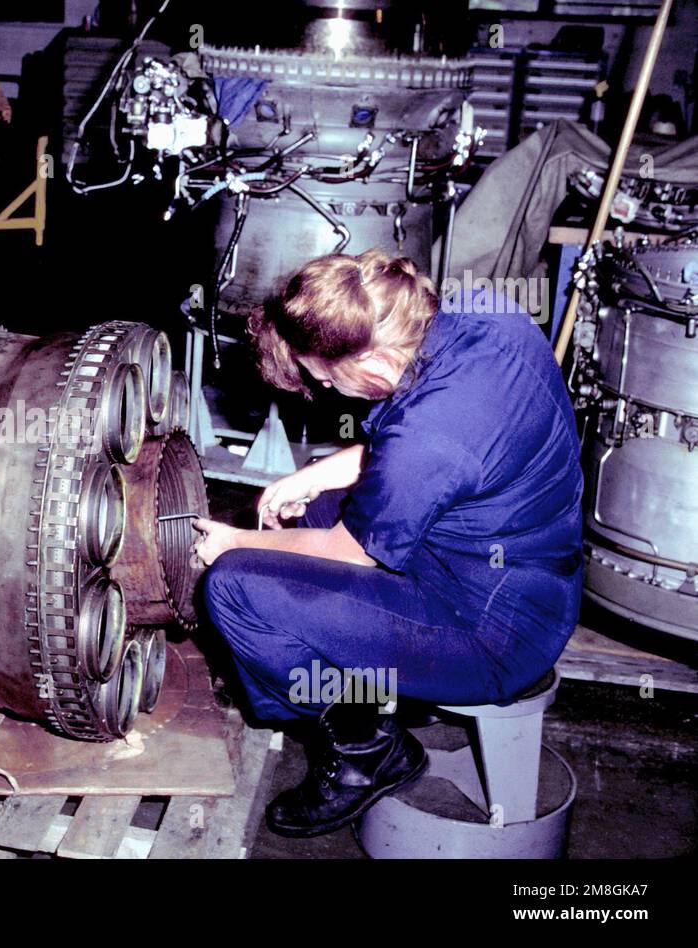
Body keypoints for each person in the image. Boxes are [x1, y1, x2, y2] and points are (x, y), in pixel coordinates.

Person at [191, 250, 583, 838]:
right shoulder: (484, 315)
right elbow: (448, 443)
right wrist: (318, 473)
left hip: (493, 633)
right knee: (315, 512)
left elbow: (395, 490)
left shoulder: (427, 440)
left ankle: (363, 752)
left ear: (372, 358)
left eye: (324, 376)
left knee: (234, 587)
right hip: (513, 563)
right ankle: (369, 680)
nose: (323, 387)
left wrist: (235, 543)